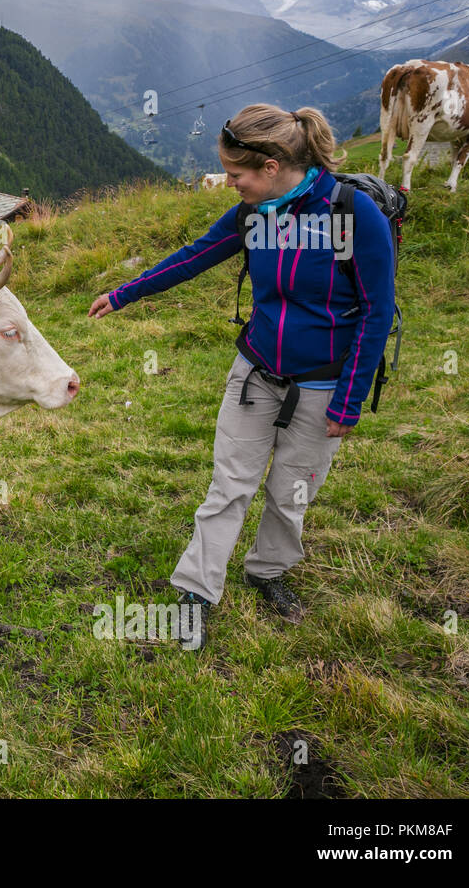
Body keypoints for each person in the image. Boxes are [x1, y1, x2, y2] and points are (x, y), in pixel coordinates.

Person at [87, 103, 396, 649]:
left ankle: (268, 570)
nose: (230, 184)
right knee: (229, 485)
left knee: (291, 493)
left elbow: (375, 312)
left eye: (236, 175)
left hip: (323, 386)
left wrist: (348, 402)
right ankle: (196, 593)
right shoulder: (257, 216)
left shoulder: (350, 218)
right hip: (255, 373)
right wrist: (124, 293)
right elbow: (195, 256)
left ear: (273, 166)